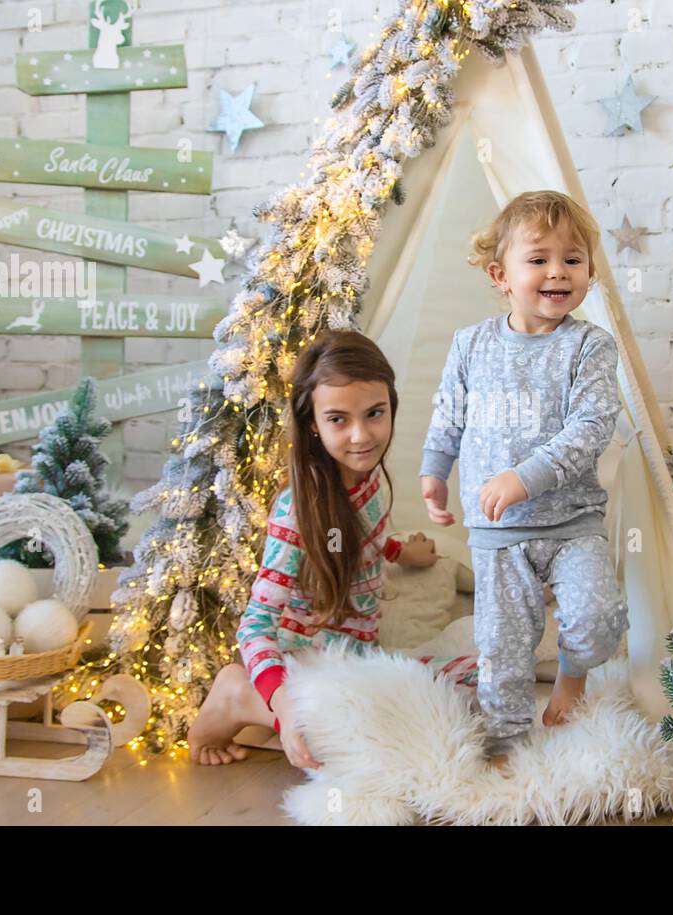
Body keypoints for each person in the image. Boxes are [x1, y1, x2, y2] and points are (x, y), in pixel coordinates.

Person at [188, 330, 477, 767]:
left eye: (375, 414)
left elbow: (365, 534)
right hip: (304, 665)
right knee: (362, 750)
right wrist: (282, 703)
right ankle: (237, 696)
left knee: (471, 688)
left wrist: (400, 552)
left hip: (358, 653)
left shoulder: (372, 479)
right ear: (312, 424)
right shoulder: (296, 513)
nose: (362, 436)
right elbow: (255, 625)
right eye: (338, 419)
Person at [421, 189, 630, 770]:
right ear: (501, 275)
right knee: (502, 647)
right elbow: (449, 415)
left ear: (588, 272)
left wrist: (525, 476)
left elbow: (592, 426)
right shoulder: (471, 345)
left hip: (572, 522)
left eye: (572, 259)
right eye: (538, 259)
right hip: (498, 532)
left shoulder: (589, 346)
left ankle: (571, 677)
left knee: (597, 617)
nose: (557, 271)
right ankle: (506, 747)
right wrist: (434, 470)